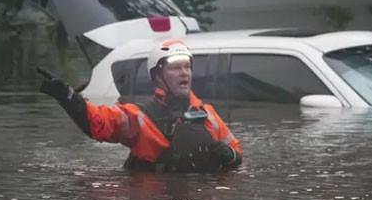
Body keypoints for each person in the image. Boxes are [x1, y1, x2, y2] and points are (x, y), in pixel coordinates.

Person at [37, 38, 242, 173]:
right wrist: (65, 94)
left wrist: (231, 156)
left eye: (187, 67)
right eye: (175, 68)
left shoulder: (208, 115)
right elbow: (96, 122)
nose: (184, 73)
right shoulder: (138, 118)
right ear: (157, 76)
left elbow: (236, 152)